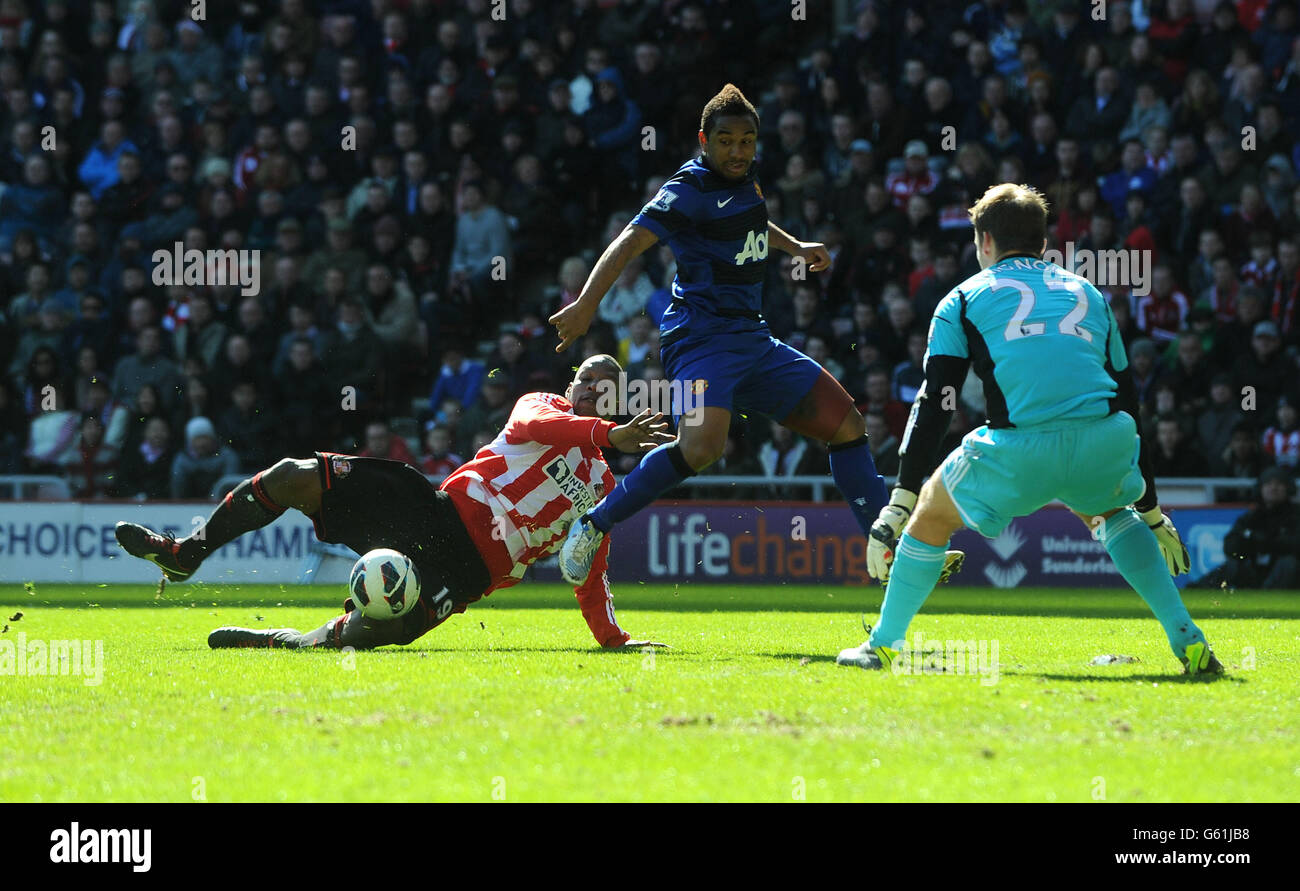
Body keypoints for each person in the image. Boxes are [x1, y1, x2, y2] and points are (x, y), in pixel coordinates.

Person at [549, 83, 963, 587]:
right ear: (705, 139)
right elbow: (630, 240)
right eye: (726, 141)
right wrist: (586, 305)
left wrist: (795, 247)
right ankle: (594, 525)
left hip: (754, 340)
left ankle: (893, 549)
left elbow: (754, 224)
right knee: (702, 448)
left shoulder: (747, 182)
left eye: (747, 140)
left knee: (848, 425)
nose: (738, 151)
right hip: (698, 340)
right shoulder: (685, 190)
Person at [836, 183, 1223, 676]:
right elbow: (1129, 404)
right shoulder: (1090, 293)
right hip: (1102, 442)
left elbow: (935, 404)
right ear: (1044, 244)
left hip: (1021, 451)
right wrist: (1150, 510)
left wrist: (900, 502)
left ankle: (883, 645)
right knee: (1110, 510)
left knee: (932, 514)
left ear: (983, 241)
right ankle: (1188, 638)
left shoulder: (961, 299)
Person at [114, 355, 673, 651]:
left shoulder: (601, 487)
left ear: (620, 398)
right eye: (588, 379)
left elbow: (587, 563)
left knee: (376, 632)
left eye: (607, 385)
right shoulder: (543, 406)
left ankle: (287, 641)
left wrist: (613, 639)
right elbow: (535, 423)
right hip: (429, 509)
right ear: (572, 384)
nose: (595, 388)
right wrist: (607, 434)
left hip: (470, 569)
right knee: (293, 476)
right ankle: (187, 552)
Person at [1195, 468, 1299, 590]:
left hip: (1283, 572)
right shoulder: (1251, 517)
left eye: (1278, 484)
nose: (1273, 488)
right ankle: (1194, 589)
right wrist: (1251, 542)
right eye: (1268, 484)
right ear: (1260, 488)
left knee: (1289, 564)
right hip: (1253, 570)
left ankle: (1268, 595)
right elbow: (1229, 546)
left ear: (1288, 488)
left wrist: (1270, 543)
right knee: (1233, 565)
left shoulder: (1295, 516)